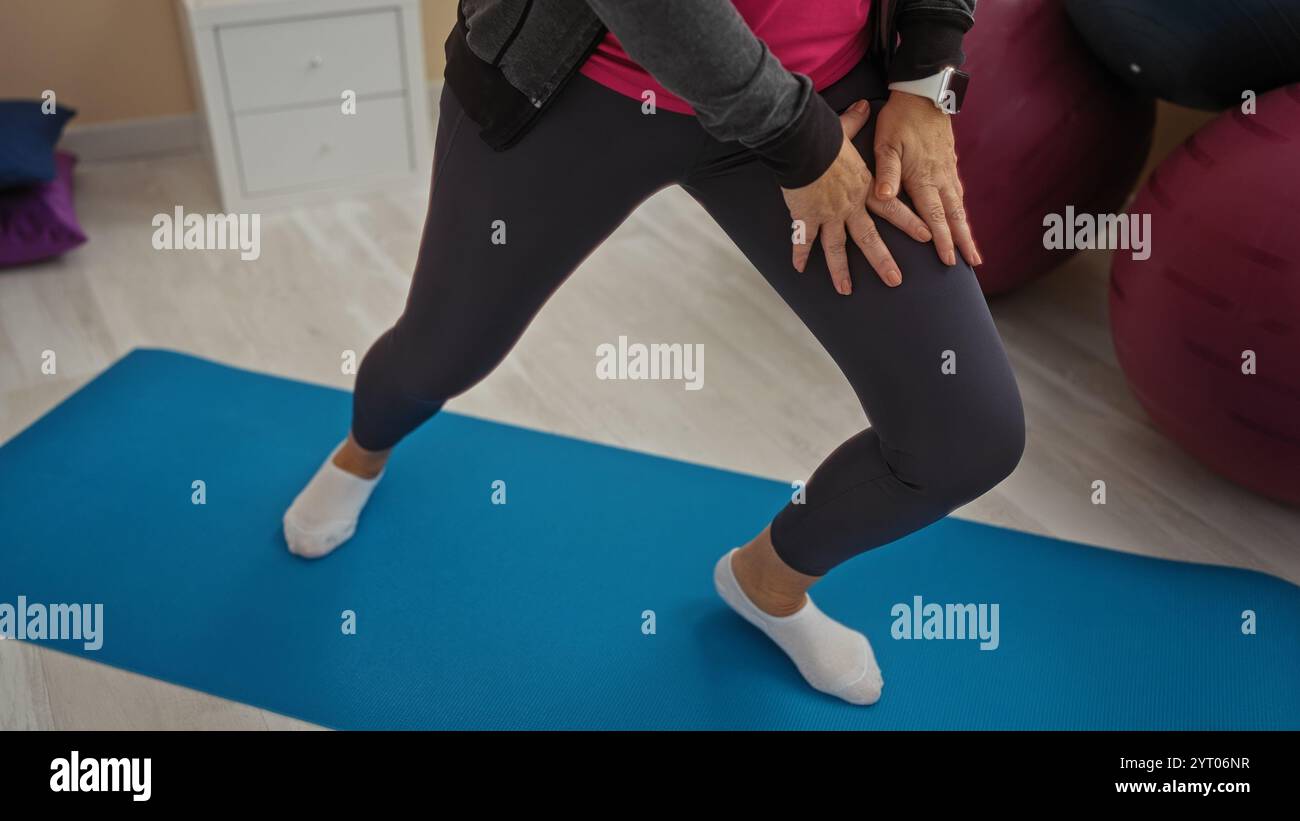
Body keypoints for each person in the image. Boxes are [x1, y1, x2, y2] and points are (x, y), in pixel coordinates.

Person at [284, 0, 1024, 706]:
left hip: (829, 87)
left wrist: (930, 76)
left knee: (965, 433)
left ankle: (767, 583)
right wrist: (803, 146)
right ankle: (364, 447)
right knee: (443, 350)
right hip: (587, 85)